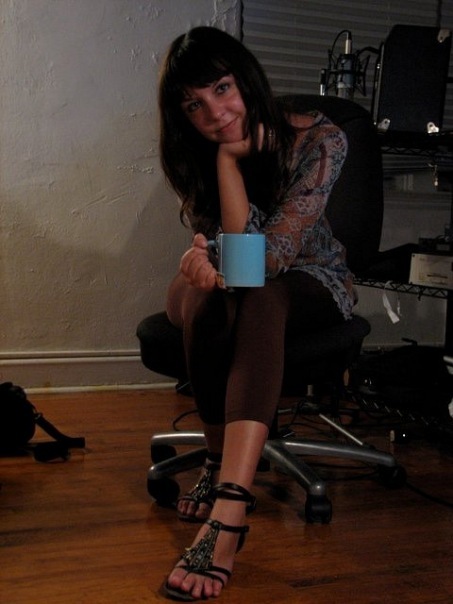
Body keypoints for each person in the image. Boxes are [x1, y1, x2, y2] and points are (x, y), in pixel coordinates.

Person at [158, 26, 355, 601]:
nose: (215, 114)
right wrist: (199, 257)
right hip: (234, 279)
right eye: (194, 105)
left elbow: (263, 264)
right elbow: (226, 260)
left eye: (222, 88)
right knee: (201, 298)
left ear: (246, 78)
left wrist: (230, 161)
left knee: (260, 296)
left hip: (311, 280)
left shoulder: (322, 140)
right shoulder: (194, 149)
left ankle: (230, 512)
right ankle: (218, 459)